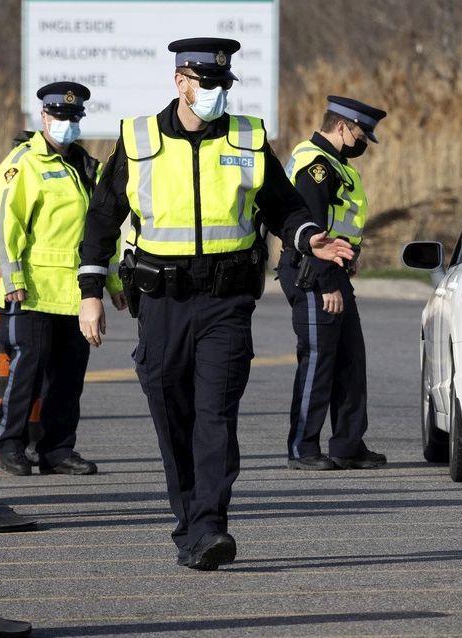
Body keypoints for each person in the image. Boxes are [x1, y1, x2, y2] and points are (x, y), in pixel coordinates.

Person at [78, 37, 353, 571]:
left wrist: (309, 237)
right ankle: (189, 523)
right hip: (161, 302)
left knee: (216, 415)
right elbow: (101, 221)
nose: (217, 95)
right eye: (207, 84)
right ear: (180, 82)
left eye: (224, 85)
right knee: (172, 412)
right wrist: (91, 295)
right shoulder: (136, 140)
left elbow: (284, 207)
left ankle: (209, 526)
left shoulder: (249, 138)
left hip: (226, 300)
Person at [0, 81, 124, 477]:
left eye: (73, 118)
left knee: (69, 374)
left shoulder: (88, 168)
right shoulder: (24, 163)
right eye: (59, 117)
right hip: (31, 289)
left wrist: (113, 283)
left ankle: (57, 449)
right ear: (44, 117)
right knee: (26, 369)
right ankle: (10, 443)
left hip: (76, 293)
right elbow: (7, 224)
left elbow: (105, 233)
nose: (66, 124)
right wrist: (12, 275)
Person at [279, 96, 389, 471]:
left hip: (333, 271)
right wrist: (326, 282)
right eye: (360, 134)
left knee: (349, 359)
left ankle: (347, 443)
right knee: (318, 361)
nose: (363, 143)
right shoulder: (316, 166)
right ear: (341, 127)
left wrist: (349, 256)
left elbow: (338, 222)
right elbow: (311, 229)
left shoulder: (335, 164)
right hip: (312, 273)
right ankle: (303, 448)